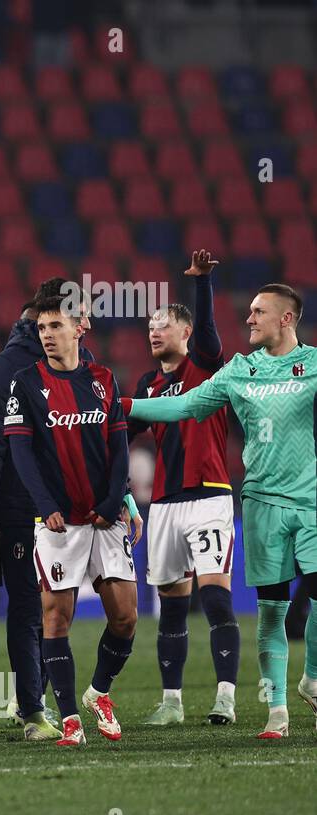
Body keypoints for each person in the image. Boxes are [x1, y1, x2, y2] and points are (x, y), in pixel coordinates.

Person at [124, 283, 317, 740]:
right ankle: (277, 715)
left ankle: (311, 675)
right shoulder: (238, 371)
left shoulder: (313, 364)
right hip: (261, 503)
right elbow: (185, 404)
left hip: (310, 501)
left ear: (286, 319)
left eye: (258, 312)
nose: (248, 319)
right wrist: (124, 405)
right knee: (271, 612)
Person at [5, 295, 137, 747]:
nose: (46, 333)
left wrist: (114, 498)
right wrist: (45, 503)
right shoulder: (24, 383)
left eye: (55, 325)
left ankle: (98, 692)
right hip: (58, 522)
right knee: (56, 618)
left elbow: (119, 448)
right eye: (41, 327)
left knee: (125, 617)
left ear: (79, 328)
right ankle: (70, 721)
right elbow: (21, 453)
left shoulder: (103, 380)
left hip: (104, 518)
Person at [128, 252, 240, 726]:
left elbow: (213, 337)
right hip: (164, 505)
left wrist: (202, 284)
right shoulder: (147, 385)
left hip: (210, 496)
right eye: (151, 325)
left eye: (164, 324)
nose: (155, 331)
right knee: (170, 610)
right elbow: (118, 439)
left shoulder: (206, 367)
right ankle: (172, 702)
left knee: (214, 597)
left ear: (186, 333)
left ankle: (226, 698)